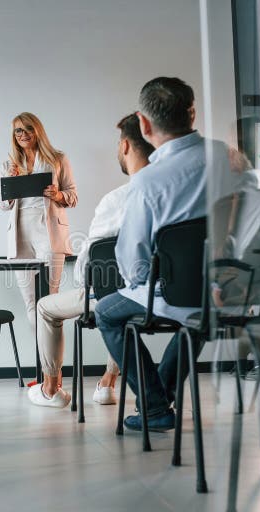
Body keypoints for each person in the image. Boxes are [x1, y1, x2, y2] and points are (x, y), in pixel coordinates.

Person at [94, 77, 230, 432]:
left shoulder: (147, 182)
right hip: (220, 292)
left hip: (167, 293)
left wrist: (146, 282)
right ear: (192, 114)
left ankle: (154, 405)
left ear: (143, 123)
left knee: (106, 313)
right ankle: (159, 398)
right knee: (200, 310)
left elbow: (133, 262)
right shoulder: (227, 157)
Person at [27, 114, 153, 408]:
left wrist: (87, 284)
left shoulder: (116, 200)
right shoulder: (175, 195)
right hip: (158, 295)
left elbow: (88, 265)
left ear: (125, 147)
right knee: (117, 301)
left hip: (110, 296)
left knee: (46, 306)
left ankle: (50, 390)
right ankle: (108, 382)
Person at [0, 112, 77, 345]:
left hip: (49, 231)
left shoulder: (57, 159)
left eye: (28, 129)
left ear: (38, 131)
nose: (23, 135)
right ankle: (42, 366)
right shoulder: (9, 163)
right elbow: (3, 205)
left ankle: (54, 374)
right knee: (31, 304)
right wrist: (9, 183)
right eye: (18, 131)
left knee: (50, 303)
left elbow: (73, 195)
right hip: (20, 234)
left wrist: (58, 194)